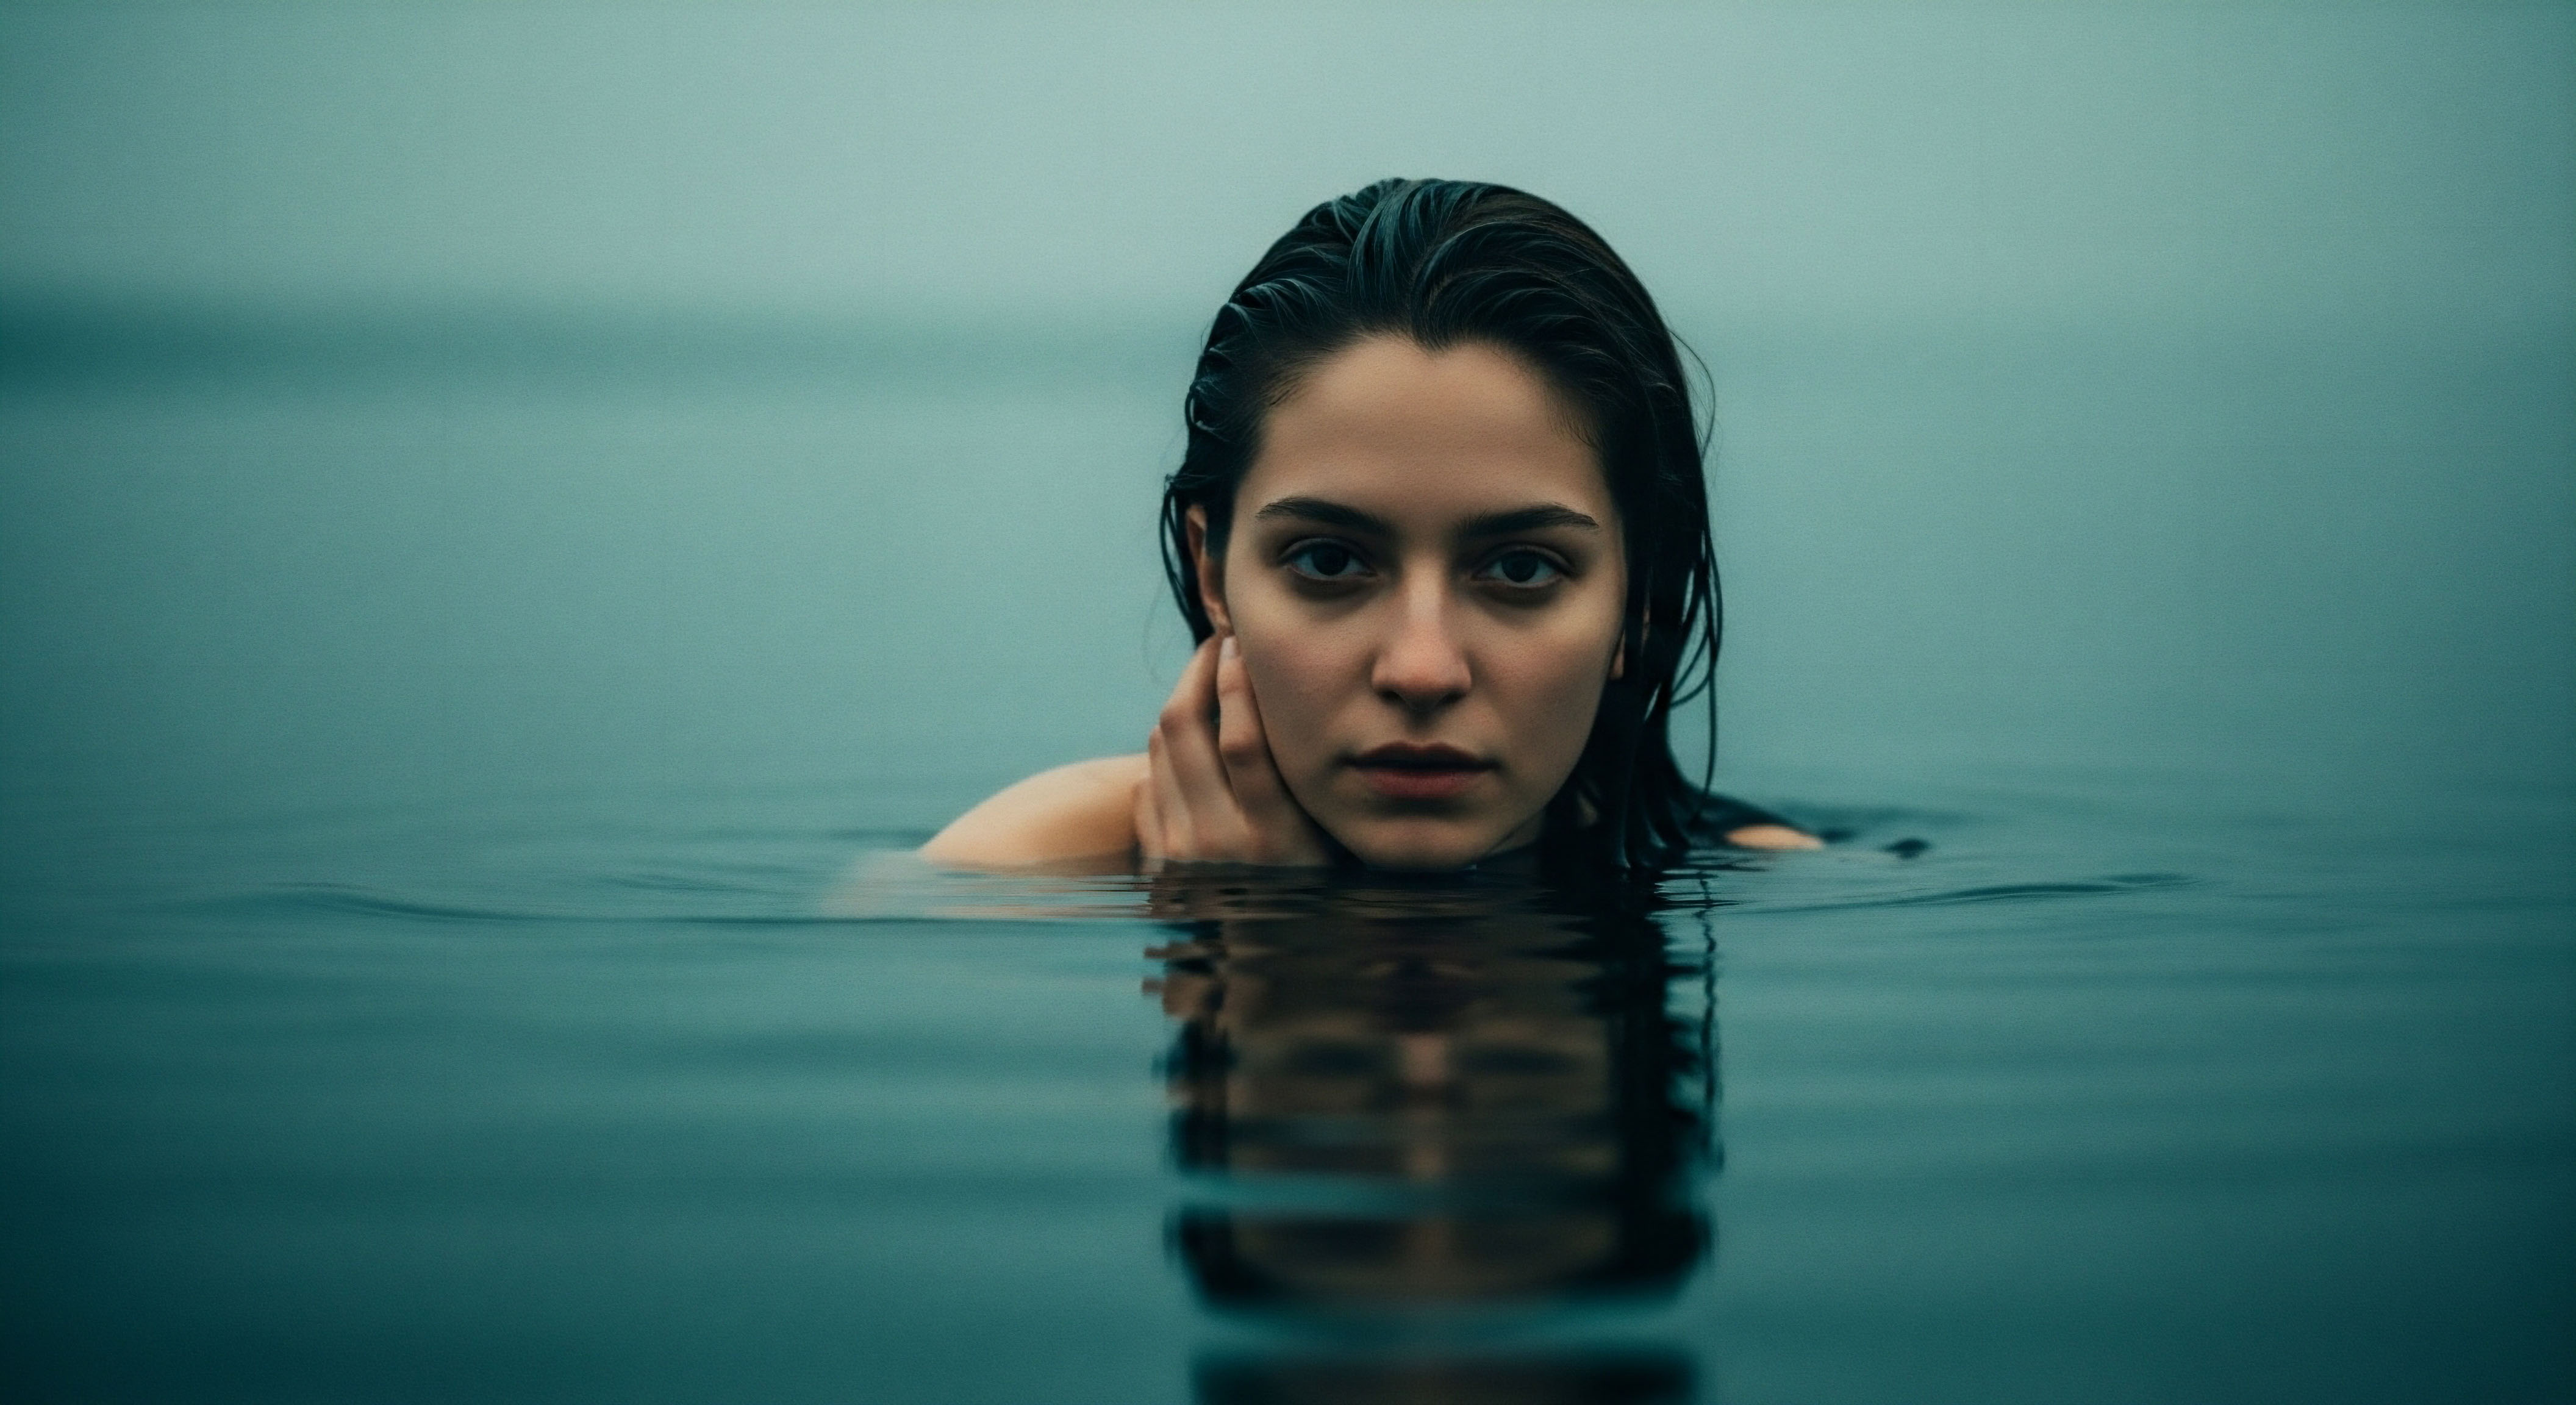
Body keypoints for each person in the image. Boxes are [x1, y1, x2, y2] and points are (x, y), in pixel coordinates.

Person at [926, 179, 1817, 871]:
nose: (1421, 671)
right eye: (1327, 560)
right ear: (1213, 571)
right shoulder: (1019, 867)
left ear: (1638, 605)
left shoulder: (1778, 884)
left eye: (1521, 571)